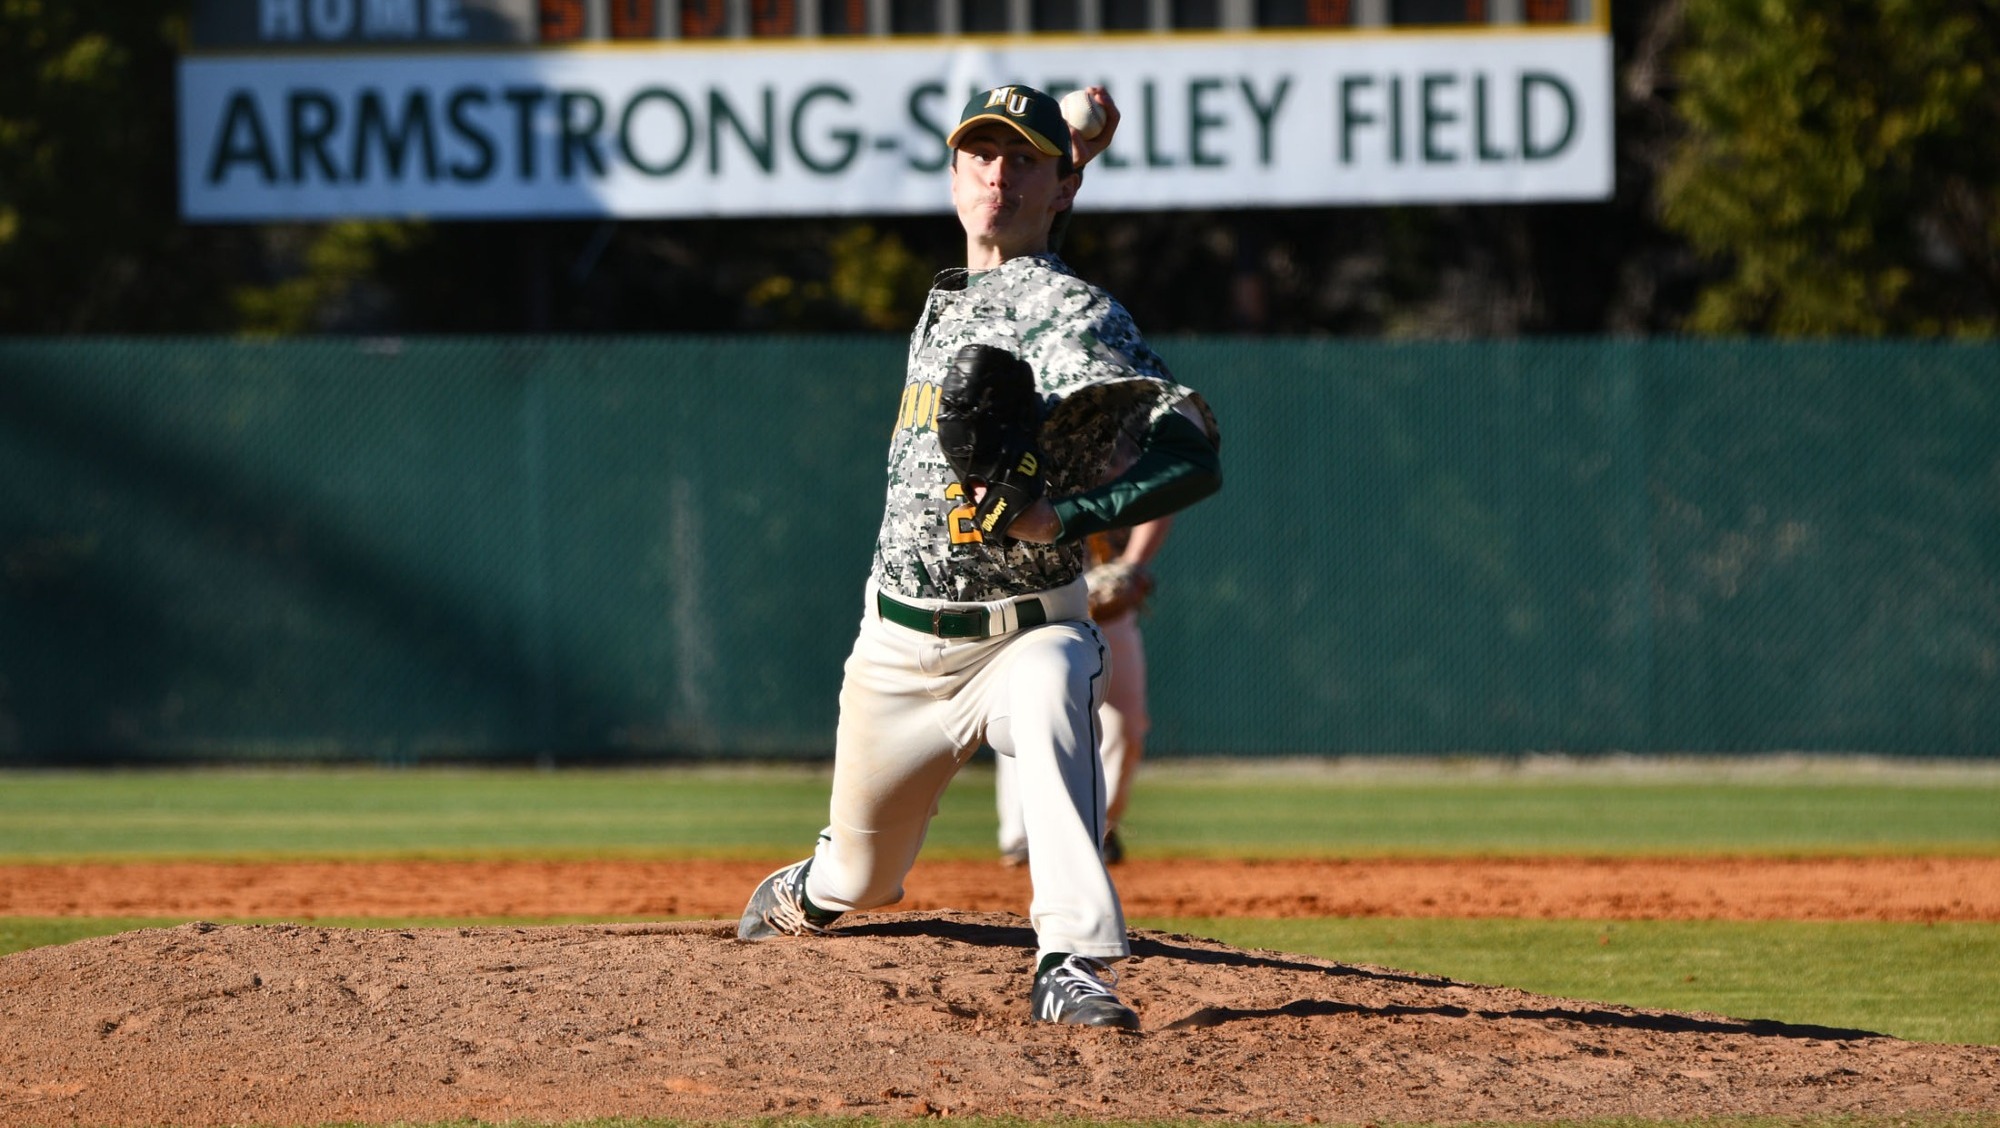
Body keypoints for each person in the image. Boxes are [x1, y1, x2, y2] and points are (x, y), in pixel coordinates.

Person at [734, 82, 1222, 1032]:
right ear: (954, 173)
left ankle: (1073, 959)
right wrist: (1060, 159)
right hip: (897, 647)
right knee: (858, 877)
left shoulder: (1072, 310)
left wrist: (1070, 513)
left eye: (1022, 161)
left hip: (1024, 634)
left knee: (1054, 694)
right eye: (980, 155)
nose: (995, 174)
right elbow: (1010, 238)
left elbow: (1190, 451)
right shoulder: (952, 295)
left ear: (1062, 189)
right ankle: (818, 883)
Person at [995, 516, 1173, 867]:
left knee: (1126, 726)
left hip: (1110, 605)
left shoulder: (1129, 457)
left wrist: (1132, 566)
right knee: (1025, 719)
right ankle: (1022, 837)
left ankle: (1097, 831)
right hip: (1038, 603)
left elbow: (1161, 503)